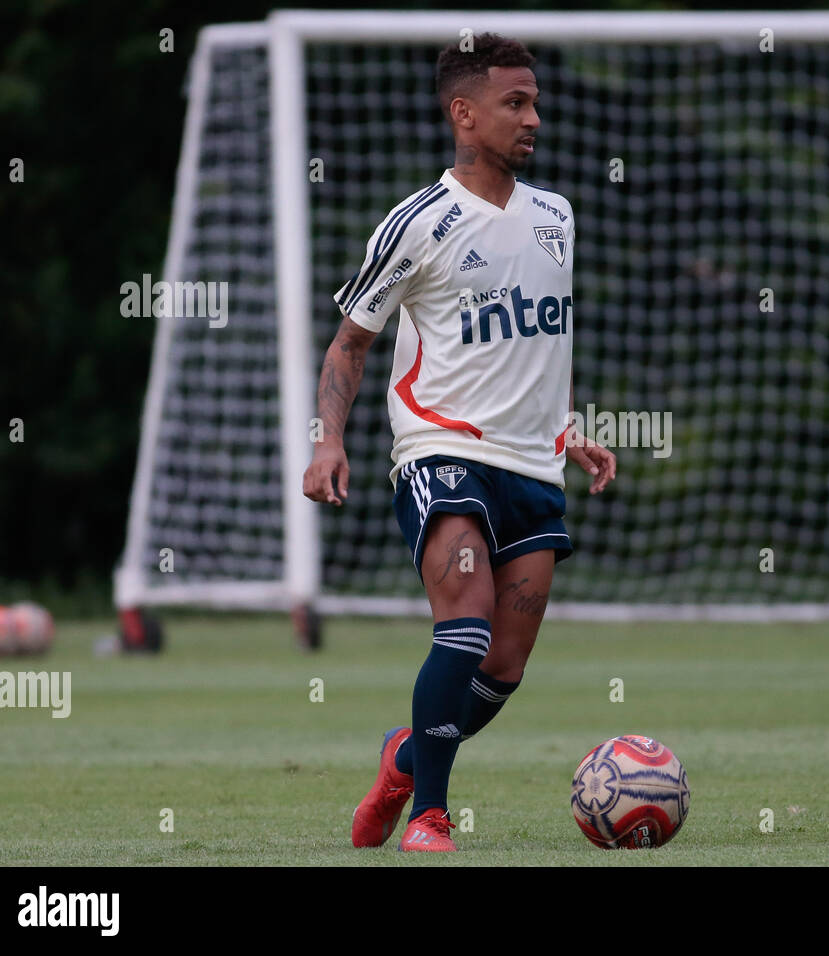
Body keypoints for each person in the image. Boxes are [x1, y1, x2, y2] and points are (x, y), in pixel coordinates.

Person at [302, 33, 616, 852]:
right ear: (463, 113)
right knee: (467, 624)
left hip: (531, 463)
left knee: (503, 666)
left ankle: (405, 757)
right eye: (516, 103)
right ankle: (432, 816)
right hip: (440, 451)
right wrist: (327, 440)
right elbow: (349, 345)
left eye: (536, 101)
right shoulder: (418, 223)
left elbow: (537, 346)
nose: (533, 118)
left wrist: (567, 428)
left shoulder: (556, 216)